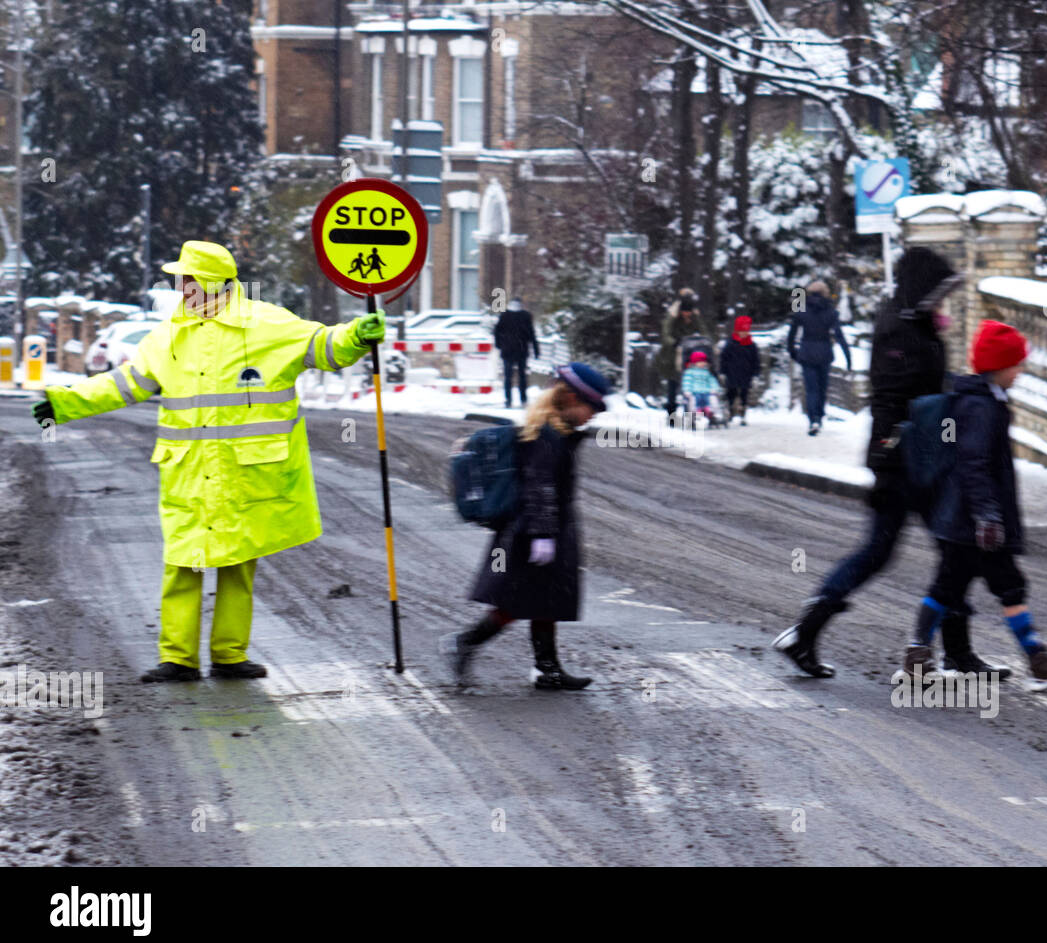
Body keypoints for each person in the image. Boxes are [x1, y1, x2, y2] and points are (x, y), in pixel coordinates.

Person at [29, 241, 386, 683]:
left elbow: (322, 346)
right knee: (184, 565)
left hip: (245, 477)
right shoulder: (170, 336)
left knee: (238, 565)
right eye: (180, 281)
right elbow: (125, 384)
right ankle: (178, 659)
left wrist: (356, 335)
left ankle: (229, 656)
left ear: (213, 281)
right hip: (190, 476)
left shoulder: (267, 323)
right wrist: (64, 404)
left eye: (187, 280)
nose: (181, 289)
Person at [774, 247, 993, 678]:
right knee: (904, 550)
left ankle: (957, 651)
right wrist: (890, 461)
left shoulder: (915, 322)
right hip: (906, 463)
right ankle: (806, 631)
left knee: (950, 550)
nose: (944, 303)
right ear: (922, 289)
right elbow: (891, 400)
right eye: (939, 293)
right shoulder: (899, 329)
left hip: (923, 459)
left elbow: (923, 388)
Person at [902, 320, 1047, 691]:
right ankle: (1038, 664)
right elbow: (974, 465)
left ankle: (919, 656)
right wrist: (987, 516)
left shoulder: (985, 401)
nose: (1020, 371)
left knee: (963, 587)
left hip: (968, 520)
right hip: (974, 523)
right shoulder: (981, 406)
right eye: (1016, 365)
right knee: (991, 587)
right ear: (999, 367)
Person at [451, 362, 612, 690]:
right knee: (516, 603)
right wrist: (543, 535)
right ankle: (464, 643)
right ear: (568, 399)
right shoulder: (547, 436)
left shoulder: (559, 432)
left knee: (546, 600)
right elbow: (540, 487)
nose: (592, 415)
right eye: (589, 408)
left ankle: (547, 669)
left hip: (548, 528)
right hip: (535, 532)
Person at [787, 279, 851, 435]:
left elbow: (791, 335)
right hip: (824, 353)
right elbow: (839, 336)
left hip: (807, 353)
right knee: (822, 388)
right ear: (825, 293)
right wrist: (848, 358)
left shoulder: (801, 310)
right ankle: (819, 417)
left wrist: (793, 352)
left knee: (811, 389)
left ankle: (813, 420)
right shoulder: (831, 312)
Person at [658, 287, 701, 419]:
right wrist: (673, 342)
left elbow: (701, 328)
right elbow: (666, 333)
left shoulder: (694, 314)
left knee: (690, 387)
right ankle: (671, 415)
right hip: (673, 357)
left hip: (689, 355)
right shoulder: (672, 315)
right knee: (672, 387)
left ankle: (690, 415)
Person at [493, 297, 539, 408]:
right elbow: (531, 334)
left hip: (508, 350)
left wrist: (499, 345)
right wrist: (535, 348)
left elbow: (497, 332)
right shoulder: (525, 316)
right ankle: (523, 399)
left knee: (508, 376)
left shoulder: (504, 316)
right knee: (522, 376)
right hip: (521, 350)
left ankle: (508, 400)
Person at [720, 314, 760, 425]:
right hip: (731, 373)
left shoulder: (752, 345)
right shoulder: (730, 344)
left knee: (744, 394)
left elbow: (756, 360)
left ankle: (742, 413)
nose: (744, 333)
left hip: (746, 373)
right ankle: (730, 411)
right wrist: (723, 372)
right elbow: (724, 358)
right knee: (731, 393)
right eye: (742, 330)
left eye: (746, 331)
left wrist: (756, 374)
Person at [681, 350, 721, 417]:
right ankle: (696, 412)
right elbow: (687, 382)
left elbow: (712, 381)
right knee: (694, 401)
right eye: (700, 362)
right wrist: (687, 391)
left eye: (703, 361)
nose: (702, 363)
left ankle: (710, 411)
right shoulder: (690, 372)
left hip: (706, 391)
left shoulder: (707, 372)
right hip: (695, 391)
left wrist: (715, 389)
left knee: (711, 399)